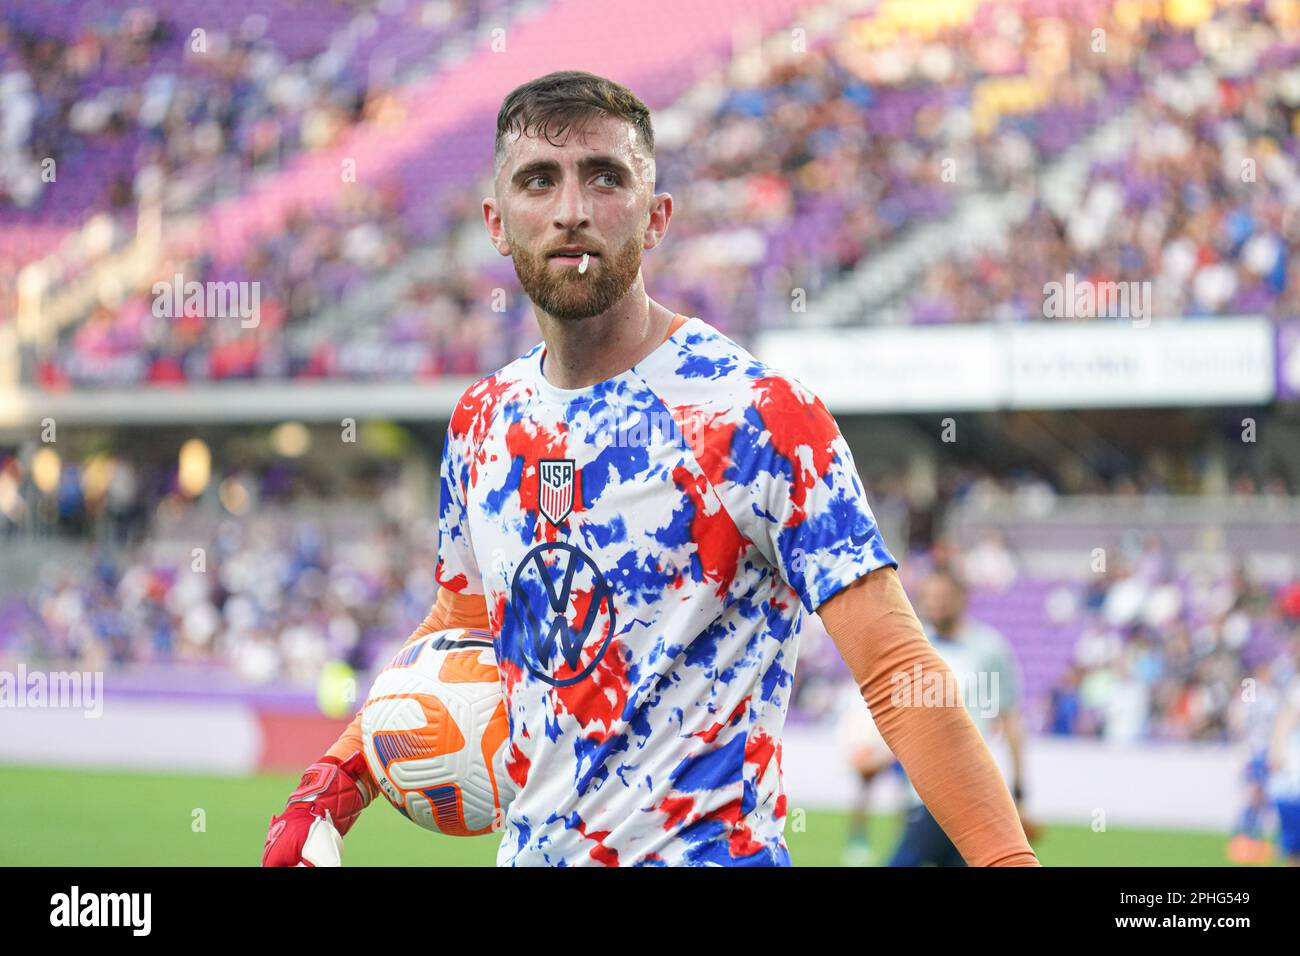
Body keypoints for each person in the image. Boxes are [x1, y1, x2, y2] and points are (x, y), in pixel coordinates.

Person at [262, 70, 1037, 867]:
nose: (572, 209)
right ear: (496, 222)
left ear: (655, 216)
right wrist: (336, 778)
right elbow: (465, 626)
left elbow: (897, 669)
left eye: (606, 177)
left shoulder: (757, 415)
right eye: (539, 181)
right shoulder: (483, 423)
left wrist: (1007, 862)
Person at [889, 568, 1030, 866]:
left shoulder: (988, 649)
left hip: (964, 786)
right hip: (918, 791)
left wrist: (1018, 789)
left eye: (942, 597)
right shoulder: (913, 645)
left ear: (962, 599)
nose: (934, 604)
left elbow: (1009, 719)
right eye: (928, 597)